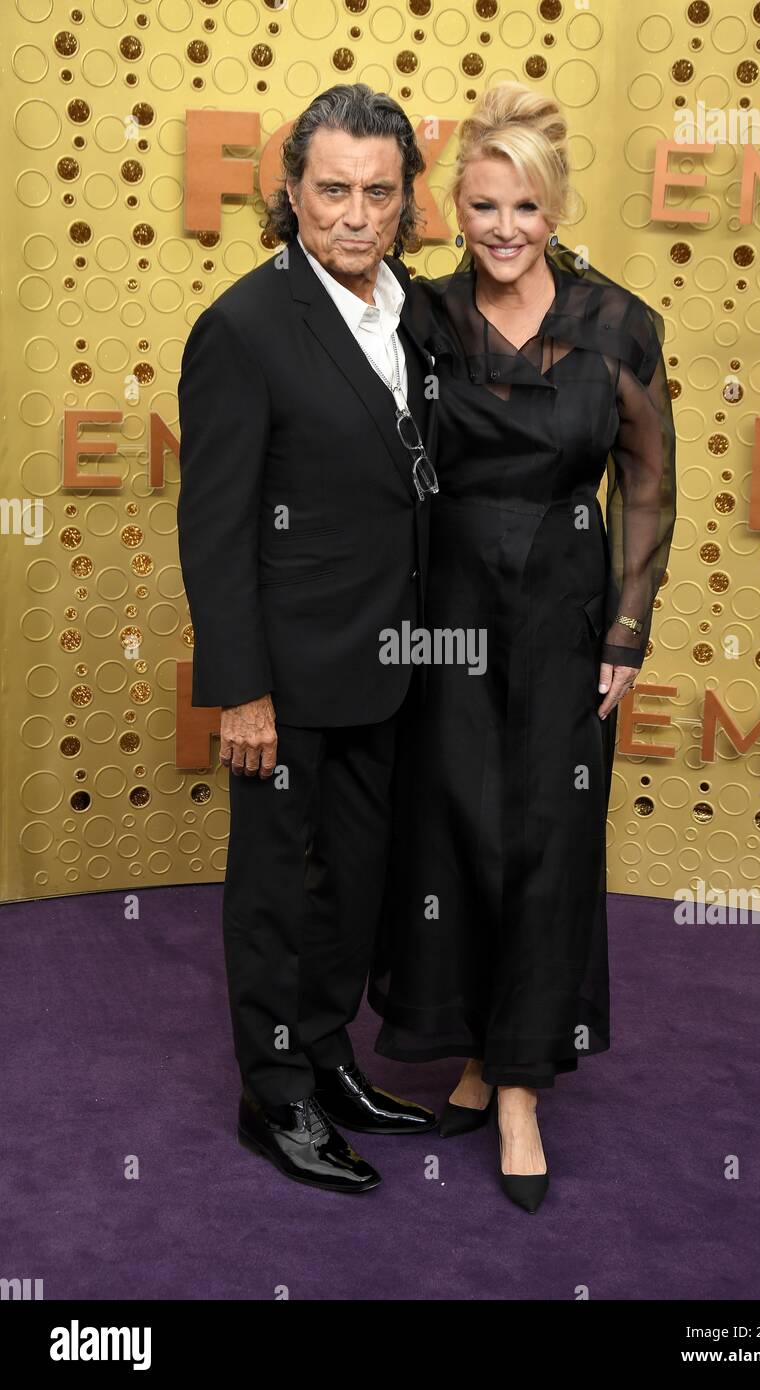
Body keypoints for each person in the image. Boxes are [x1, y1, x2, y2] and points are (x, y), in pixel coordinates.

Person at [368, 83, 677, 1212]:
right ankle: (468, 1047)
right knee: (452, 829)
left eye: (525, 209)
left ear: (555, 211)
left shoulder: (616, 322)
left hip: (561, 601)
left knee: (546, 836)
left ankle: (518, 1085)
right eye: (483, 206)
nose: (503, 229)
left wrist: (627, 627)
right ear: (454, 207)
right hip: (444, 600)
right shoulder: (420, 315)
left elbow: (645, 481)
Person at [177, 84, 440, 1196]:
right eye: (331, 190)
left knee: (360, 883)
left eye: (377, 192)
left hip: (390, 668)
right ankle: (273, 1093)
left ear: (403, 201)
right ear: (290, 192)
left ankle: (330, 1057)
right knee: (278, 890)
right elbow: (216, 523)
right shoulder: (241, 327)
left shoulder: (412, 312)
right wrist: (239, 690)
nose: (354, 214)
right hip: (283, 682)